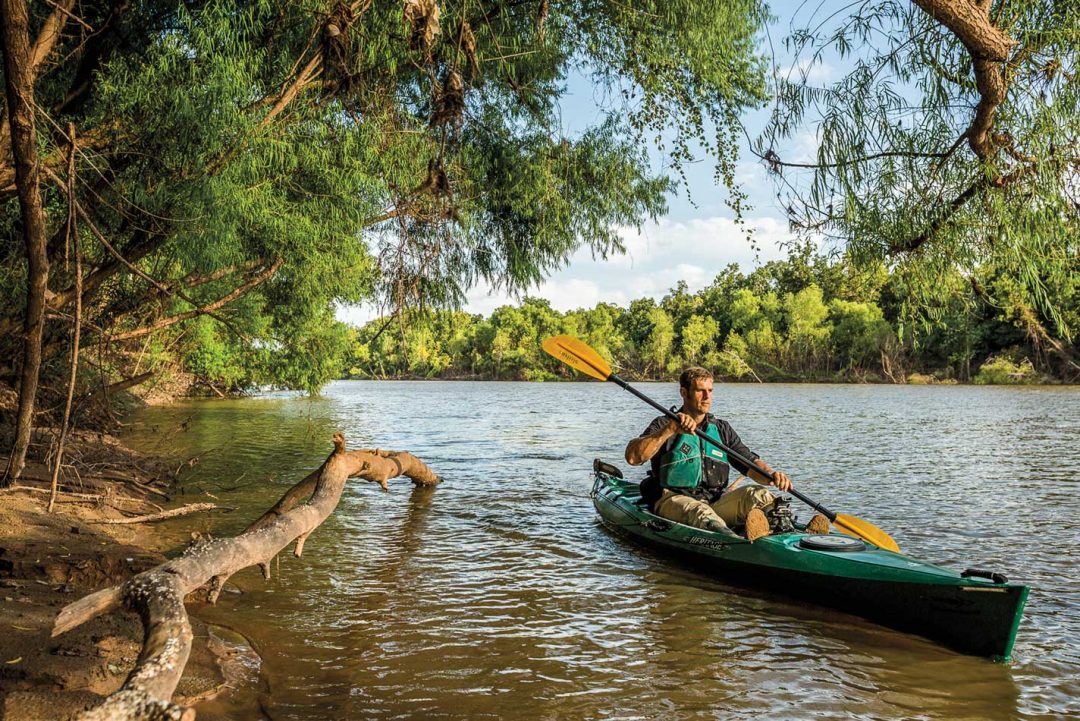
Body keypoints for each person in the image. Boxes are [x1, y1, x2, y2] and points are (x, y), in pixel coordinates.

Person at [624, 366, 829, 541]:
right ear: (684, 393)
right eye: (700, 391)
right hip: (672, 500)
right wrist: (669, 429)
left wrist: (773, 475)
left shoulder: (721, 429)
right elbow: (633, 457)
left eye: (710, 391)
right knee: (700, 513)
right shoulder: (664, 424)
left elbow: (750, 463)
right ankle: (734, 543)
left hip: (715, 501)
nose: (707, 397)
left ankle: (788, 533)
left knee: (758, 494)